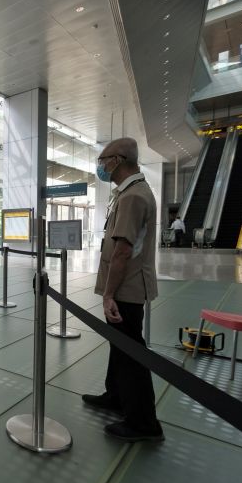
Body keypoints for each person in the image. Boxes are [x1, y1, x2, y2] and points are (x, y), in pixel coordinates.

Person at [86, 137, 163, 442]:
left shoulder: (132, 197)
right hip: (127, 285)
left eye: (103, 160)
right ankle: (115, 395)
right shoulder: (131, 192)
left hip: (125, 289)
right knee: (120, 346)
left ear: (117, 161)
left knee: (131, 353)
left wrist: (108, 294)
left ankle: (144, 423)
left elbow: (122, 251)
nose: (100, 166)